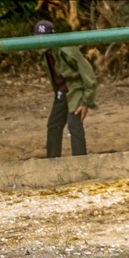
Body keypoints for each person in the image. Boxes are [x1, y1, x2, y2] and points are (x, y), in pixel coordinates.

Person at [34, 20, 97, 158]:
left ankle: (81, 163)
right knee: (53, 125)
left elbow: (88, 74)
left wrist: (86, 101)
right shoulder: (45, 53)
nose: (41, 41)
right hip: (62, 91)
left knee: (74, 126)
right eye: (38, 37)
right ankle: (52, 162)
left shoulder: (66, 50)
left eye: (45, 37)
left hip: (76, 89)